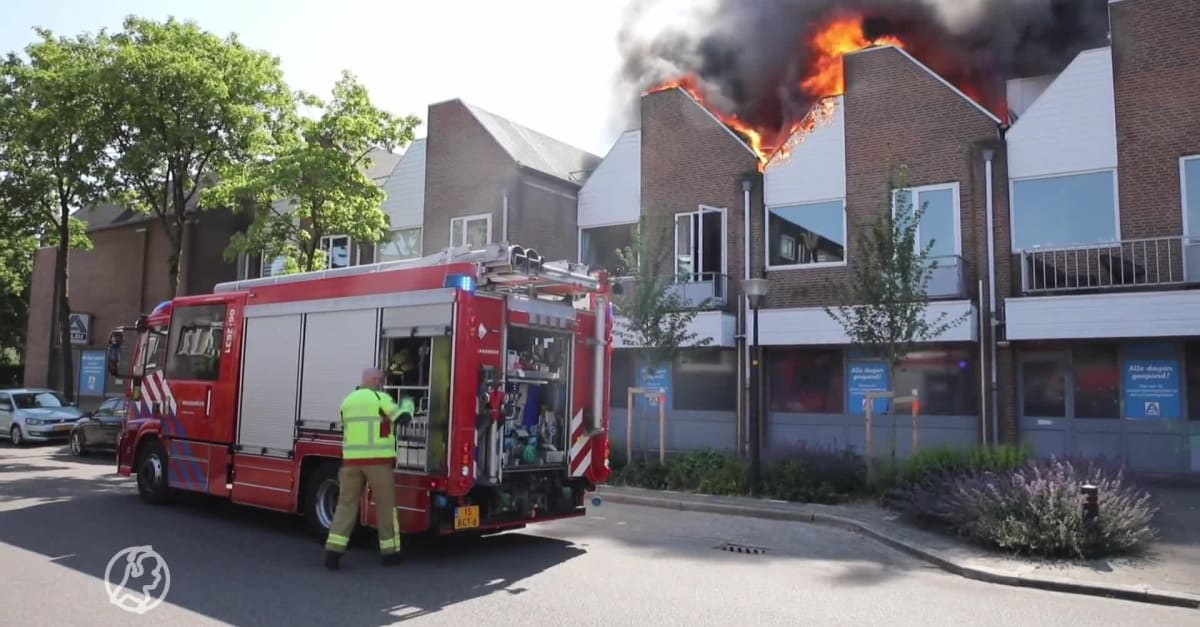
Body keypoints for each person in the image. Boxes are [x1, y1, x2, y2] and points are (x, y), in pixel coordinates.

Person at [323, 367, 416, 570]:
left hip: (351, 463)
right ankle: (390, 554)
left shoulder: (346, 401)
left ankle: (333, 552)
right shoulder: (380, 398)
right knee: (385, 507)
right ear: (374, 380)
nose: (381, 383)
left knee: (345, 506)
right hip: (378, 462)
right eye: (380, 380)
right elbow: (402, 418)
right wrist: (409, 404)